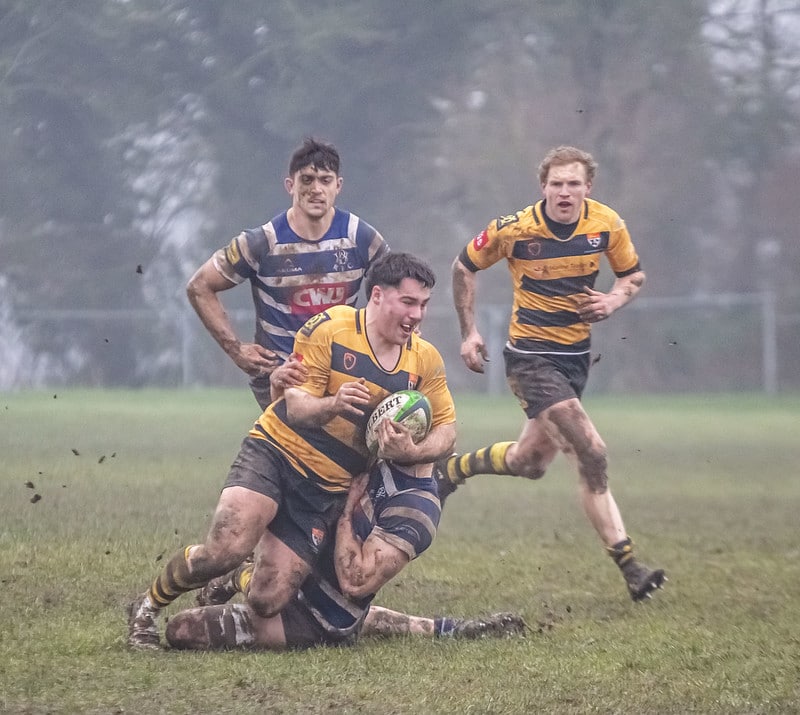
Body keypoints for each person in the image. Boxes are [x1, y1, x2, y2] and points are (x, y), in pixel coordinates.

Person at [128, 252, 458, 648]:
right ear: (377, 296)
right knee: (226, 546)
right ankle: (146, 608)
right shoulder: (331, 328)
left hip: (324, 490)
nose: (417, 315)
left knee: (267, 600)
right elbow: (294, 404)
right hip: (276, 452)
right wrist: (333, 404)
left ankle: (238, 578)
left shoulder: (424, 360)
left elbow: (447, 432)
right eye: (408, 302)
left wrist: (409, 449)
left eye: (423, 304)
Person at [434, 146, 666, 602]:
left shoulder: (606, 225)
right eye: (556, 183)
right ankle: (630, 566)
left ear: (587, 188)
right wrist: (469, 332)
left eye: (573, 183)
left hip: (576, 358)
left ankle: (453, 469)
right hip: (530, 358)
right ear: (543, 187)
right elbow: (463, 266)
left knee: (531, 463)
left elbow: (633, 277)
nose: (564, 191)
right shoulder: (515, 229)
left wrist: (612, 300)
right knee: (592, 451)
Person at [165, 460, 526, 650]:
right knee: (352, 614)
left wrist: (348, 510)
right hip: (314, 588)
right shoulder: (380, 465)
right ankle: (448, 629)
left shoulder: (417, 512)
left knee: (180, 629)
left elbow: (355, 583)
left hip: (314, 620)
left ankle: (236, 578)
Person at [187, 136, 389, 410]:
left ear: (338, 186)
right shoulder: (262, 242)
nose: (316, 189)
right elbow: (199, 286)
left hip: (341, 372)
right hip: (280, 376)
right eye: (307, 180)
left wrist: (399, 339)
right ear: (290, 185)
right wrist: (236, 350)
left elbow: (397, 289)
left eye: (325, 180)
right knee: (298, 447)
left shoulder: (361, 237)